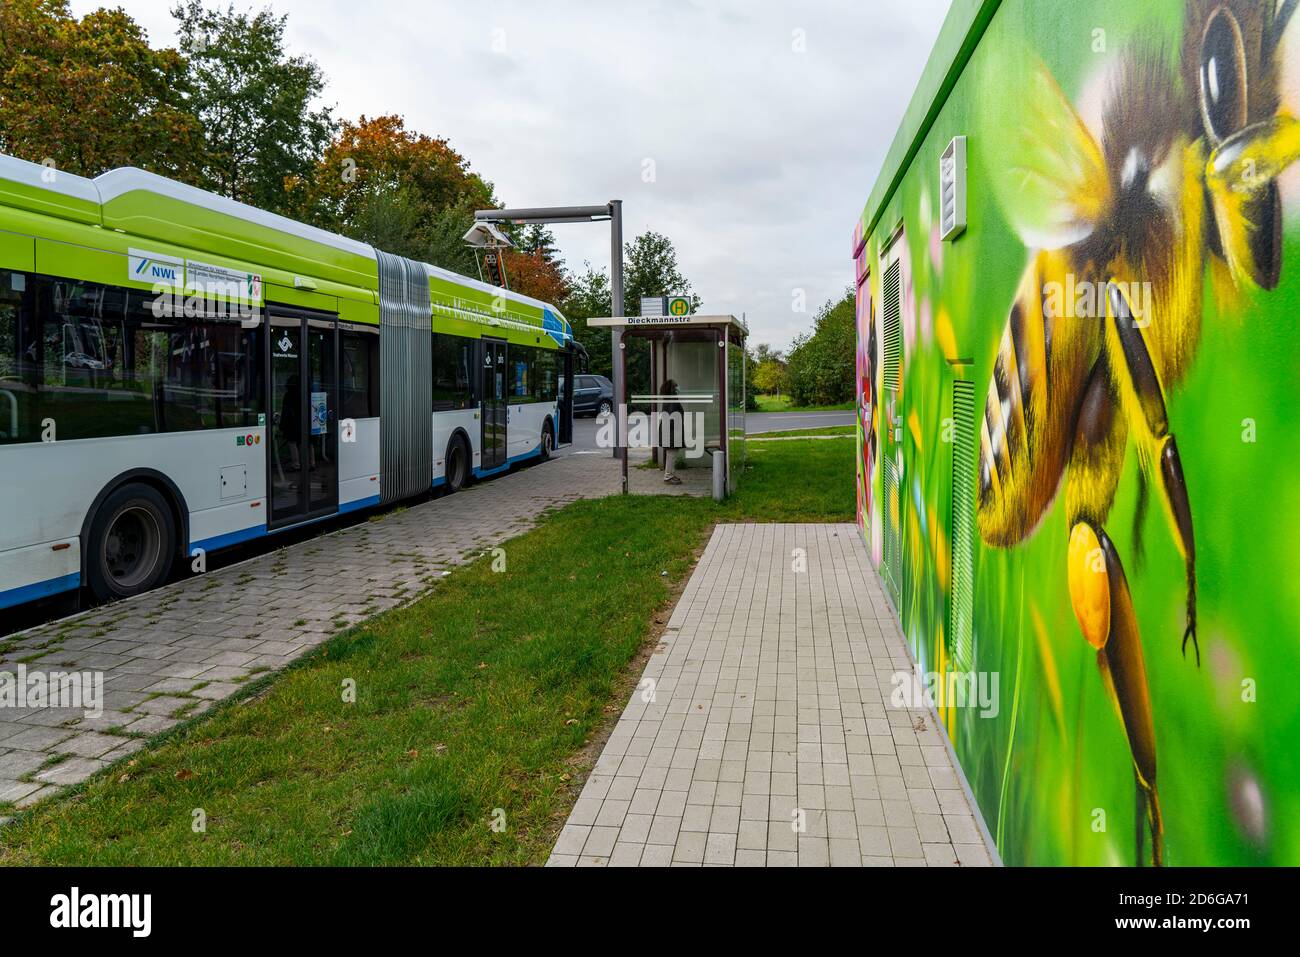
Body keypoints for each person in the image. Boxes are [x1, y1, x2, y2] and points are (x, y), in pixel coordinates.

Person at [659, 379, 684, 485]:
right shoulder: (672, 400)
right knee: (671, 454)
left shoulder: (668, 399)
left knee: (672, 453)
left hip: (669, 430)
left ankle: (671, 474)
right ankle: (668, 476)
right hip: (671, 431)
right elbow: (673, 417)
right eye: (676, 386)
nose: (678, 388)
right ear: (672, 389)